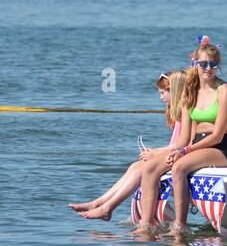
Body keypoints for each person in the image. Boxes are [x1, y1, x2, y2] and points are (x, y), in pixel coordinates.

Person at [135, 36, 227, 232]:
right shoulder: (189, 91)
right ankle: (146, 224)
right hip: (194, 145)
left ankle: (179, 226)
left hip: (221, 146)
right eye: (204, 64)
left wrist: (185, 151)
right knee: (149, 168)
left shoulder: (224, 90)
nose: (208, 68)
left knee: (180, 167)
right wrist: (169, 151)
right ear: (195, 64)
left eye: (213, 64)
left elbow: (217, 135)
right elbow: (183, 138)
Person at [71, 69, 188, 220]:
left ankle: (107, 207)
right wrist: (156, 152)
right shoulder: (177, 114)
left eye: (162, 93)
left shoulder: (186, 114)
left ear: (175, 91)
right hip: (173, 154)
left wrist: (156, 153)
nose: (160, 98)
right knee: (135, 166)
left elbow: (182, 143)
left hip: (181, 156)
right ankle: (99, 202)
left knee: (142, 168)